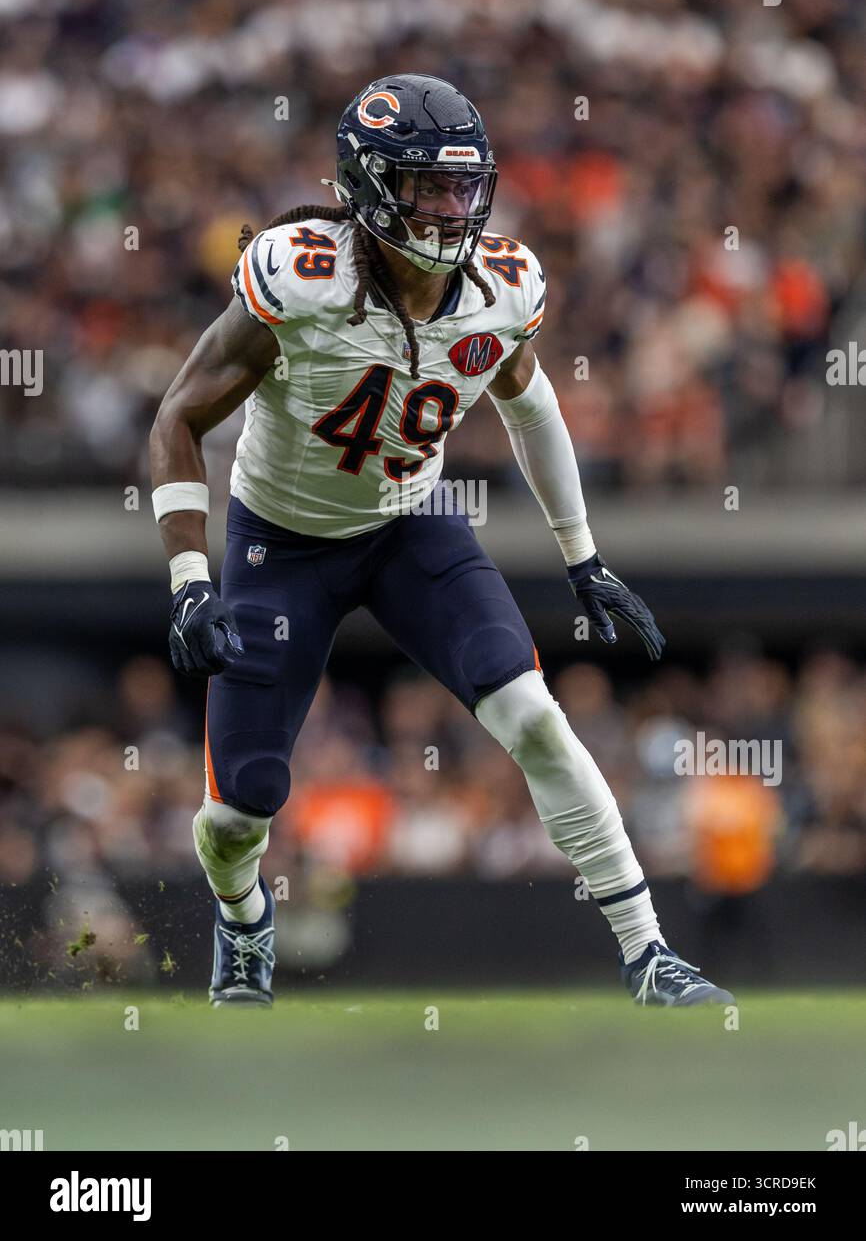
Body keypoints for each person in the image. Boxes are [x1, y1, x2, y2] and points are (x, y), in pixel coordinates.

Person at [149, 73, 734, 1008]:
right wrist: (187, 577)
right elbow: (178, 414)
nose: (451, 207)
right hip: (280, 543)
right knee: (236, 811)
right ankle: (245, 922)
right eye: (426, 186)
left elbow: (532, 404)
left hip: (410, 524)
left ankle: (649, 953)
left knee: (536, 717)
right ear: (369, 184)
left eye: (464, 186)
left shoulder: (502, 288)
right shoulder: (301, 276)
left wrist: (582, 554)